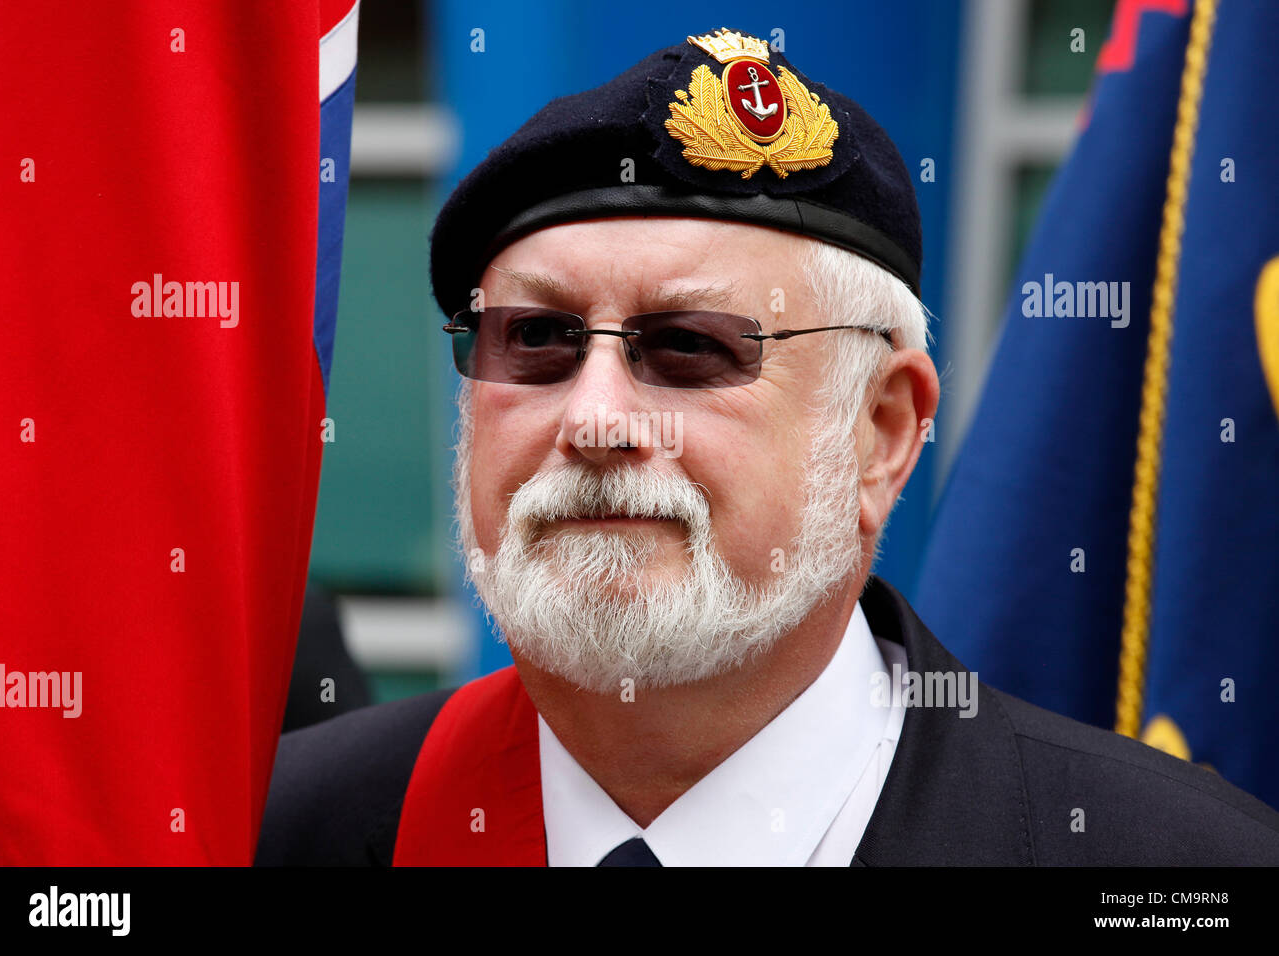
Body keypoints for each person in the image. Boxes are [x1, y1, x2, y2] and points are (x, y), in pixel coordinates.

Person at [255, 29, 1279, 866]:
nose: (597, 419)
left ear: (879, 434)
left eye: (688, 347)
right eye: (537, 340)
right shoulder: (275, 833)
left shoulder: (1171, 864)